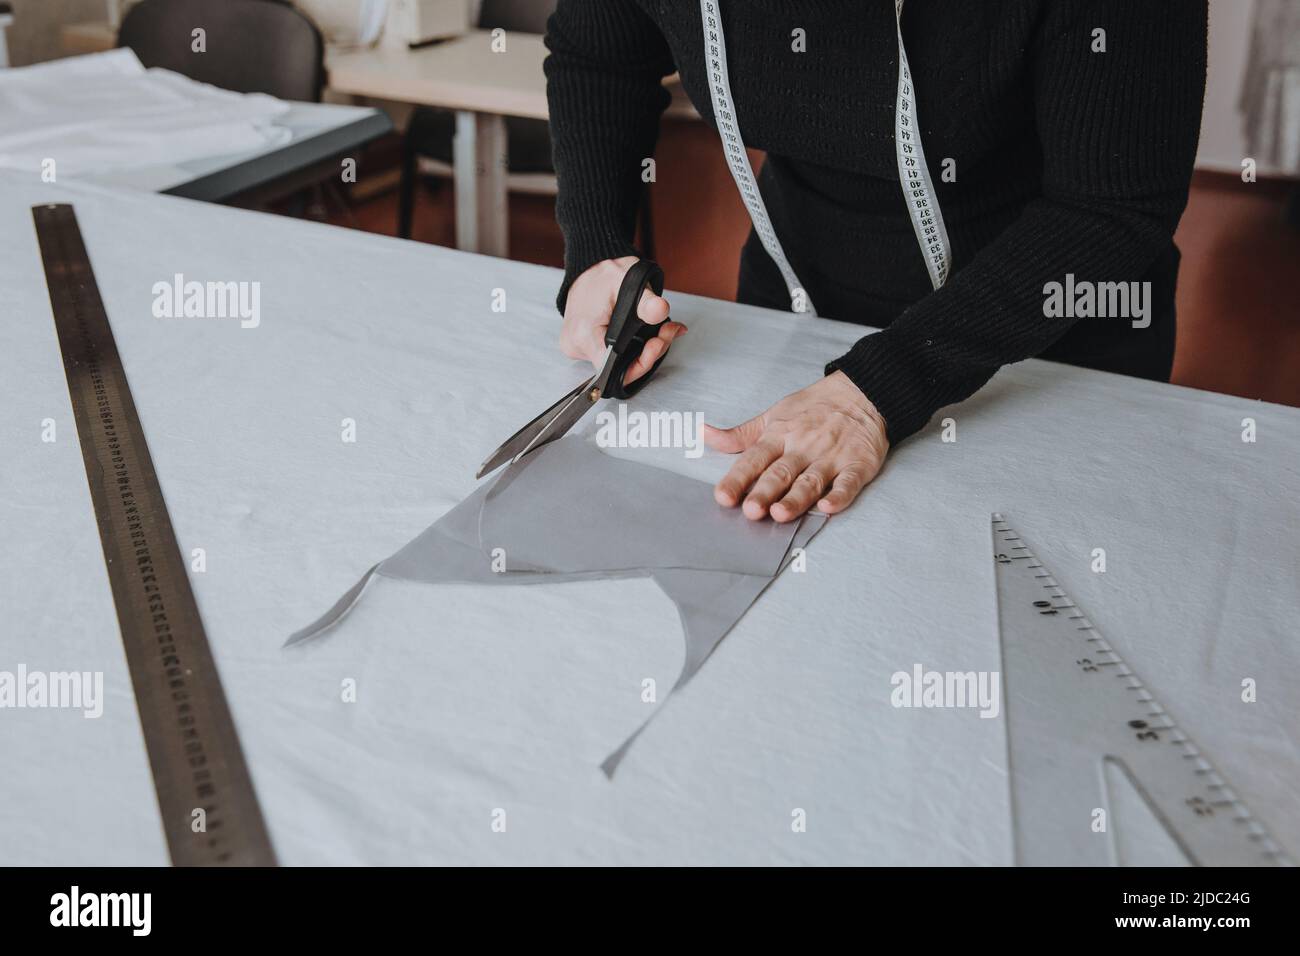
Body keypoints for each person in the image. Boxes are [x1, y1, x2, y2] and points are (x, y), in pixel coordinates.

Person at [543, 0, 1208, 521]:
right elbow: (599, 55)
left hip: (1043, 337)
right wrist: (596, 245)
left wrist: (878, 391)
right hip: (802, 308)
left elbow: (1112, 208)